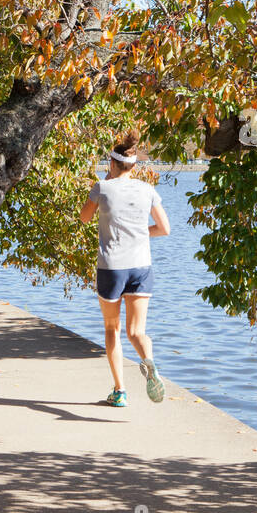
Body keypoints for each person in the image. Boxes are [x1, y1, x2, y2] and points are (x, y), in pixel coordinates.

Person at [79, 131, 170, 407]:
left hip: (112, 268)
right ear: (133, 166)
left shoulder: (102, 188)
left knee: (112, 328)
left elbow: (84, 219)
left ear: (112, 163)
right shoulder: (147, 190)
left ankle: (120, 391)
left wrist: (103, 186)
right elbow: (164, 229)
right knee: (136, 332)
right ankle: (149, 362)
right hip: (141, 267)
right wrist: (140, 233)